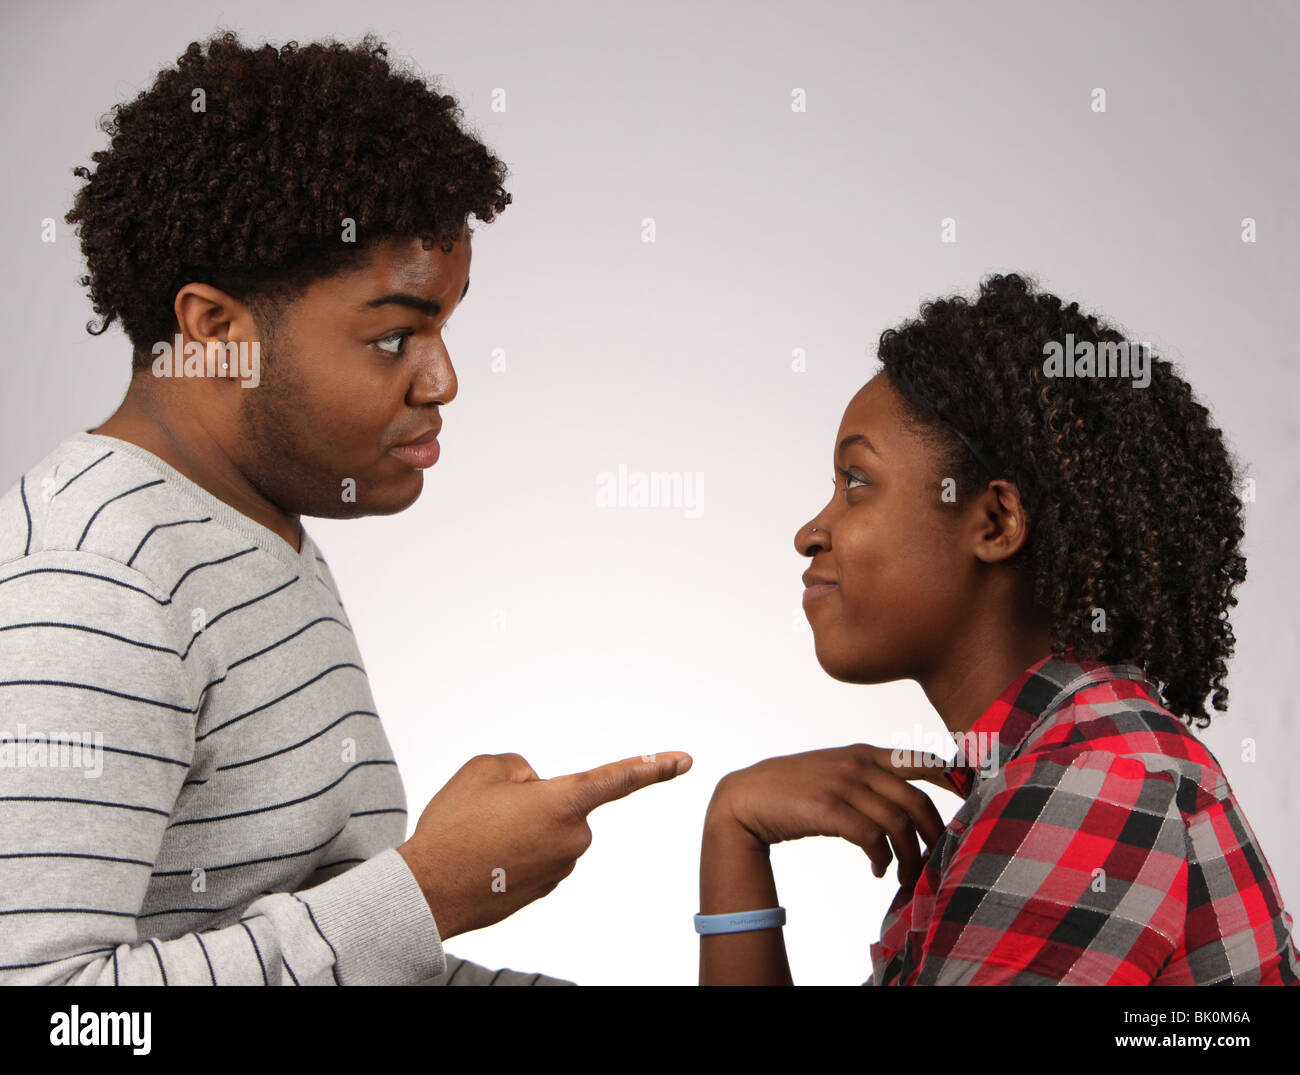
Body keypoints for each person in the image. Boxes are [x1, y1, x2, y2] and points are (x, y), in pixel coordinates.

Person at [0, 30, 690, 986]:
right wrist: (428, 889)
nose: (443, 379)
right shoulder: (91, 582)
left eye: (446, 325)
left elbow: (349, 960)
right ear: (215, 330)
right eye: (397, 334)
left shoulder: (249, 528)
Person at [696, 273, 1299, 985]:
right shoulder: (1033, 772)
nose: (810, 532)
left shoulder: (1097, 780)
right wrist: (732, 829)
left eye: (855, 481)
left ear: (995, 522)